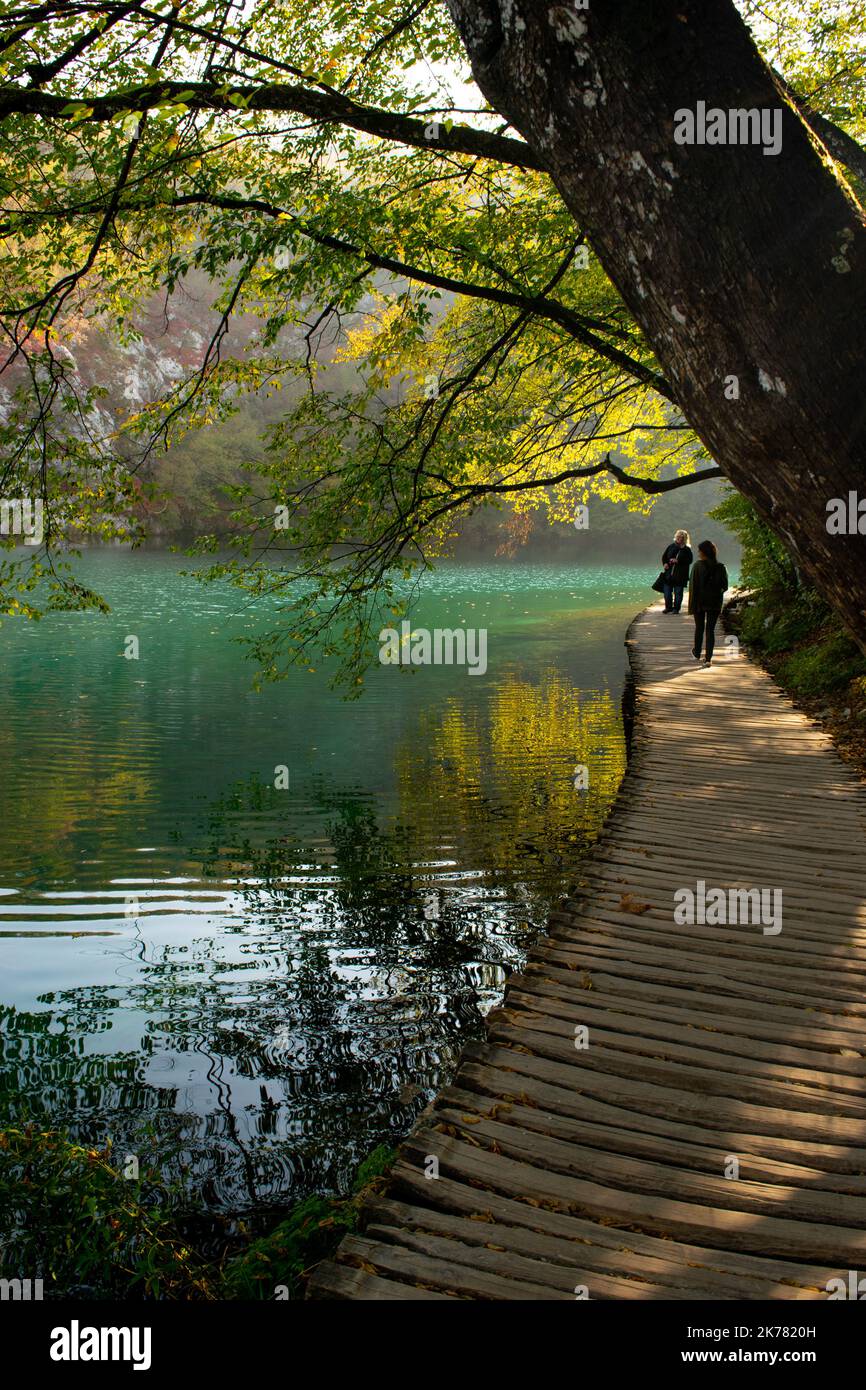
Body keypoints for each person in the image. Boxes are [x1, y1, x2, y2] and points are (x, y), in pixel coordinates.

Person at [688, 539, 729, 666]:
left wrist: (692, 606)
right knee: (710, 629)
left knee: (699, 628)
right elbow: (725, 586)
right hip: (714, 602)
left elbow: (693, 587)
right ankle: (708, 659)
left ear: (703, 552)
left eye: (699, 550)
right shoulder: (721, 567)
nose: (698, 553)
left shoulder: (697, 566)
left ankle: (697, 652)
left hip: (699, 601)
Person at [660, 529, 693, 613]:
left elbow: (690, 561)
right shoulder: (671, 546)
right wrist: (665, 564)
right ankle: (668, 608)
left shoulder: (687, 550)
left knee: (678, 593)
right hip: (669, 574)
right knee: (667, 592)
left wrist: (678, 561)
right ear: (676, 537)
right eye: (678, 537)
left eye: (682, 537)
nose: (679, 539)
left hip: (680, 575)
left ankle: (676, 609)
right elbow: (664, 557)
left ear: (685, 538)